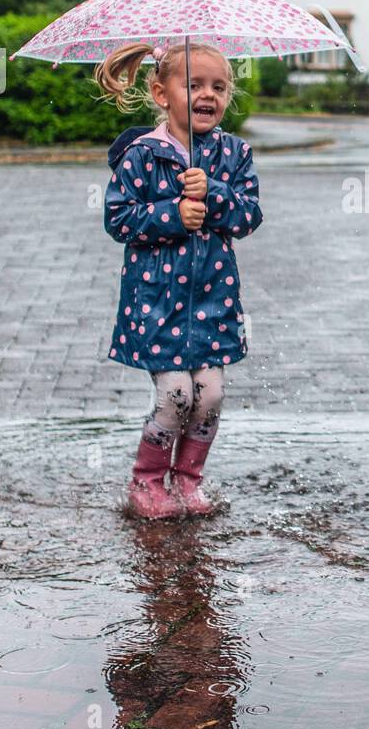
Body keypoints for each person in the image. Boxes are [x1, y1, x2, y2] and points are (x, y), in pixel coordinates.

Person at [93, 41, 263, 518]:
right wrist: (173, 213)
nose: (208, 94)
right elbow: (119, 219)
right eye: (194, 85)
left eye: (219, 86)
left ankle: (187, 482)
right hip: (157, 306)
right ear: (161, 93)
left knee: (210, 395)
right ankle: (146, 482)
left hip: (212, 303)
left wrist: (215, 196)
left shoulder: (234, 154)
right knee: (176, 394)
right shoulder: (142, 155)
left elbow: (249, 217)